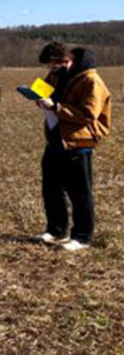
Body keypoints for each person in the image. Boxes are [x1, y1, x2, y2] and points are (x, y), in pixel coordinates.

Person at [35, 44, 111, 251]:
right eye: (48, 66)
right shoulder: (55, 75)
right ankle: (56, 230)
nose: (50, 69)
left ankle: (81, 237)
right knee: (51, 188)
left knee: (80, 192)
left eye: (53, 65)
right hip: (55, 139)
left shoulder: (91, 80)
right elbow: (42, 91)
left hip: (79, 142)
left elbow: (88, 114)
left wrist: (55, 107)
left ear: (66, 61)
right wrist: (37, 96)